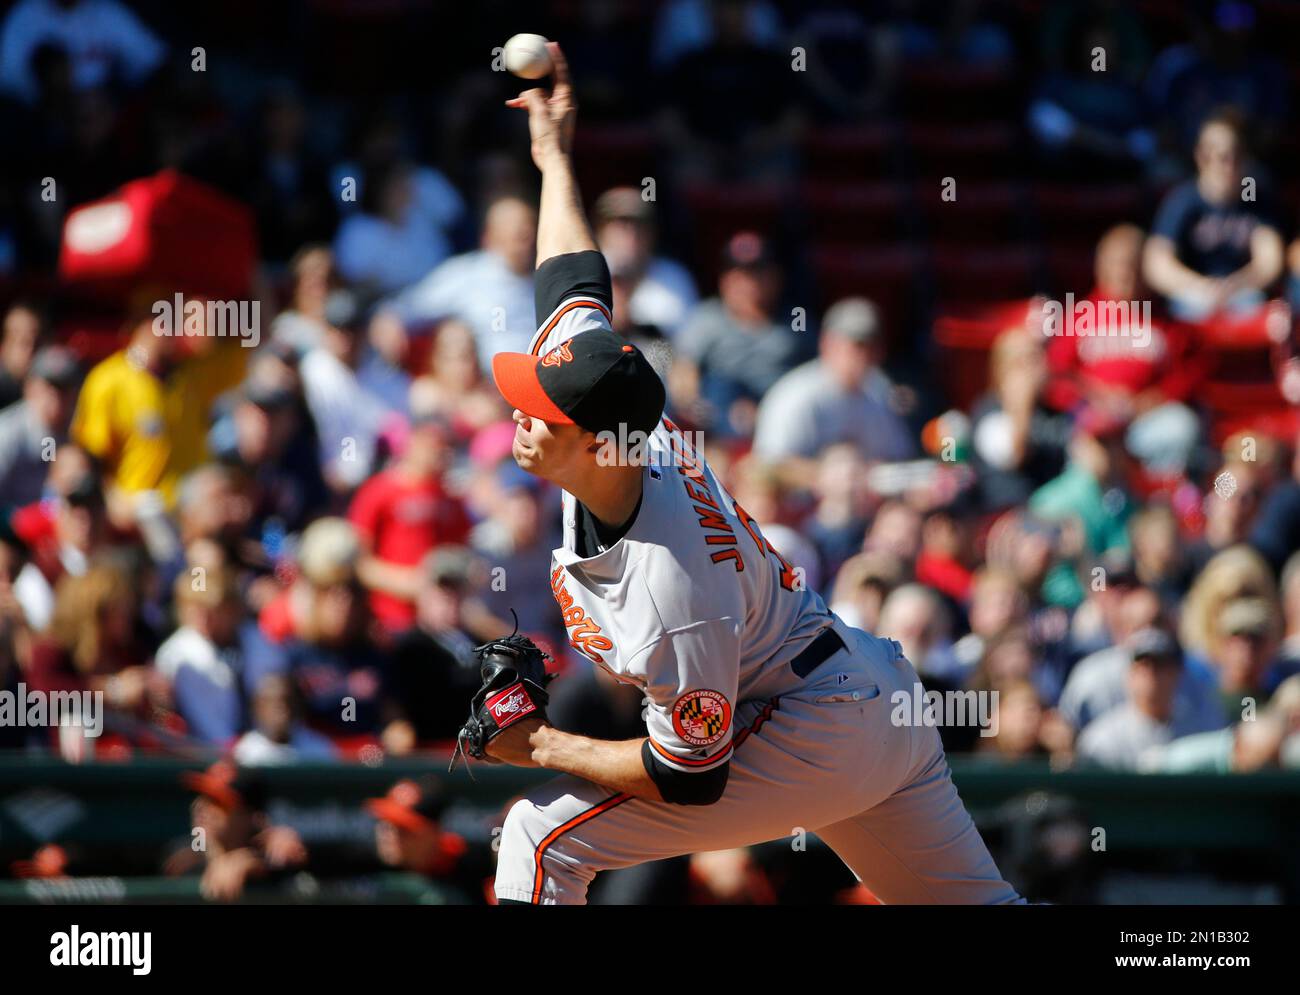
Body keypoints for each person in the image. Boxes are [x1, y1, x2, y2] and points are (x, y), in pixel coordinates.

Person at [478, 44, 1020, 905]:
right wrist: (551, 156)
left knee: (538, 841)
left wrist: (543, 745)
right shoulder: (622, 417)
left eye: (542, 408)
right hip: (860, 689)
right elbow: (574, 280)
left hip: (808, 727)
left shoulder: (669, 581)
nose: (519, 412)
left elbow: (687, 775)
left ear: (596, 440)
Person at [752, 297, 913, 484]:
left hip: (862, 507)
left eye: (873, 346)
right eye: (857, 345)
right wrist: (833, 476)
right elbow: (766, 466)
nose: (866, 355)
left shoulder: (878, 391)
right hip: (801, 508)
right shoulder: (798, 394)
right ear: (828, 343)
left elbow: (898, 456)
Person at [1142, 112, 1284, 320]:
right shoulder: (1182, 199)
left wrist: (1233, 286)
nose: (1225, 165)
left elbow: (1270, 261)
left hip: (1243, 295)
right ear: (1200, 156)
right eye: (1216, 155)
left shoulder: (1253, 195)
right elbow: (1157, 263)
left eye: (1233, 156)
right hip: (1192, 296)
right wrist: (1200, 287)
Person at [395, 195, 539, 369]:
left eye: (532, 235)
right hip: (485, 388)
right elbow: (407, 309)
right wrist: (389, 321)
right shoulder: (466, 275)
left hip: (541, 385)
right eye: (520, 237)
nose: (528, 245)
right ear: (490, 237)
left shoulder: (548, 278)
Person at [0, 346, 79, 507]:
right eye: (49, 388)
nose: (56, 398)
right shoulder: (7, 432)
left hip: (58, 521)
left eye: (64, 390)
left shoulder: (80, 428)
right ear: (30, 388)